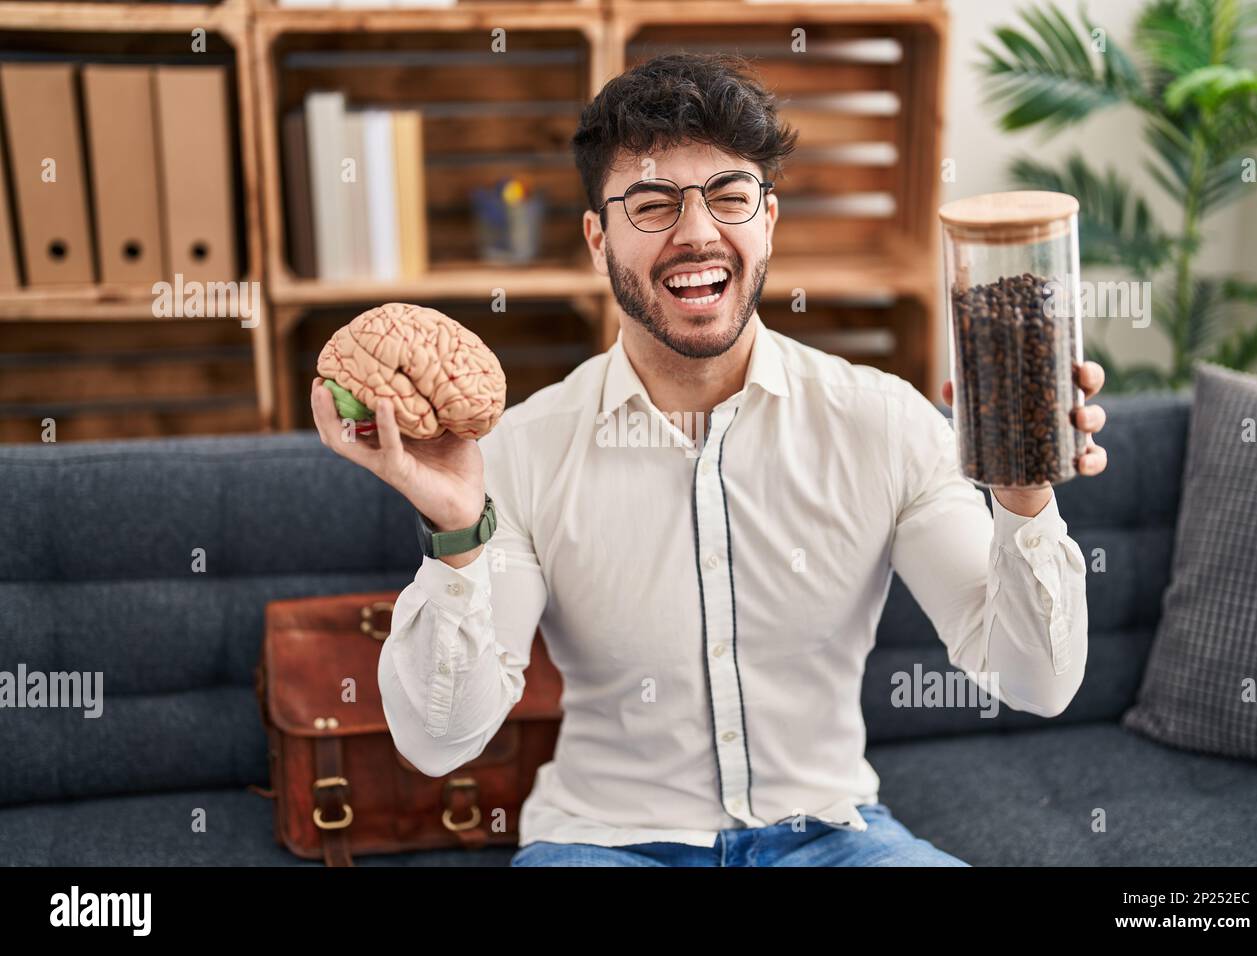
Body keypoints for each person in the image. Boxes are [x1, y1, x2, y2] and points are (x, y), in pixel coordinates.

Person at [310, 52, 1108, 867]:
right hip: (605, 843)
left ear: (769, 220)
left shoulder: (887, 424)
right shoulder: (521, 450)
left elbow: (1035, 685)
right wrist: (455, 538)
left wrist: (1023, 497)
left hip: (830, 837)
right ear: (598, 237)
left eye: (729, 196)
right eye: (651, 204)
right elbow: (439, 745)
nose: (698, 233)